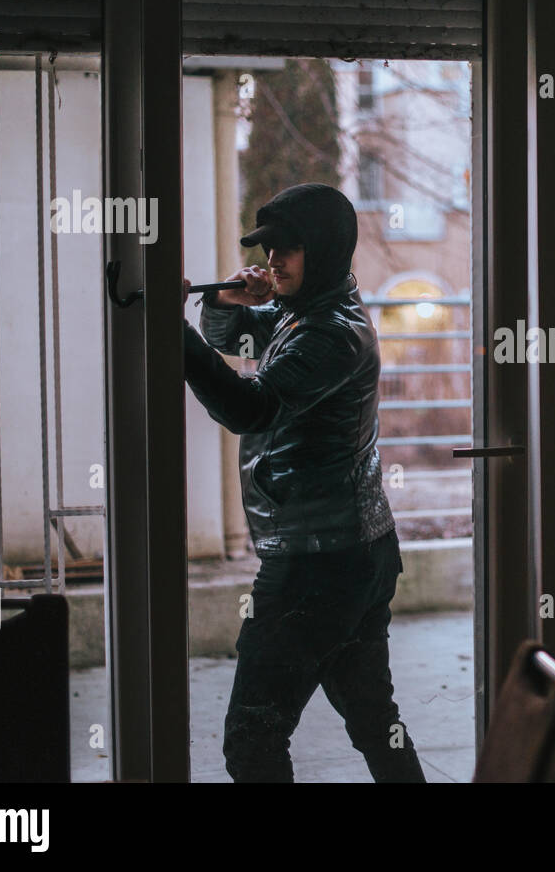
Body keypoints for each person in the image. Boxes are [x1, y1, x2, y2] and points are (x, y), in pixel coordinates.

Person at [181, 182, 426, 783]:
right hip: (353, 554)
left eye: (288, 250)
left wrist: (170, 332)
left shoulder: (332, 333)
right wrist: (228, 304)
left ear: (325, 251)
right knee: (375, 721)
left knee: (252, 736)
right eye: (269, 250)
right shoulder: (307, 314)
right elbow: (232, 340)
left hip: (317, 563)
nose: (273, 261)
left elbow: (250, 408)